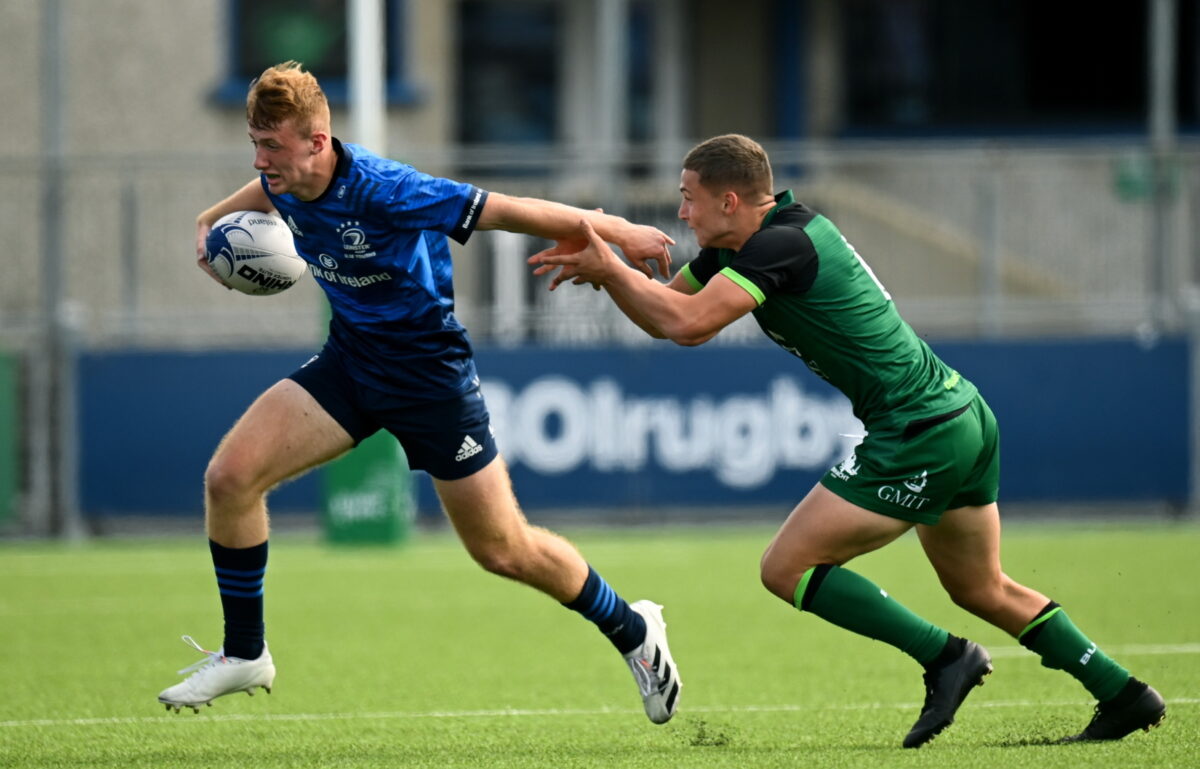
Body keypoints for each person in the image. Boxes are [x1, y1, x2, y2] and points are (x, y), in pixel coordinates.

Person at [530, 133, 1166, 747]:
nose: (680, 210)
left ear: (730, 201)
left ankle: (947, 657)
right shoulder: (745, 245)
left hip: (918, 430)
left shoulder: (780, 245)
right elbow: (666, 312)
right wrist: (610, 268)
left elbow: (688, 325)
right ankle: (1123, 694)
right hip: (960, 414)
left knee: (786, 568)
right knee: (982, 588)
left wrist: (609, 267)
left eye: (688, 196)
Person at [156, 61, 681, 725]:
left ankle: (632, 628)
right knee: (230, 478)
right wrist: (211, 225)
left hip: (430, 376)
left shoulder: (388, 188)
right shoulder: (280, 175)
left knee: (502, 549)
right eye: (255, 146)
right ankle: (245, 651)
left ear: (318, 142)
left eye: (273, 147)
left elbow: (511, 210)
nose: (262, 162)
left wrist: (616, 229)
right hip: (350, 364)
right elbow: (253, 198)